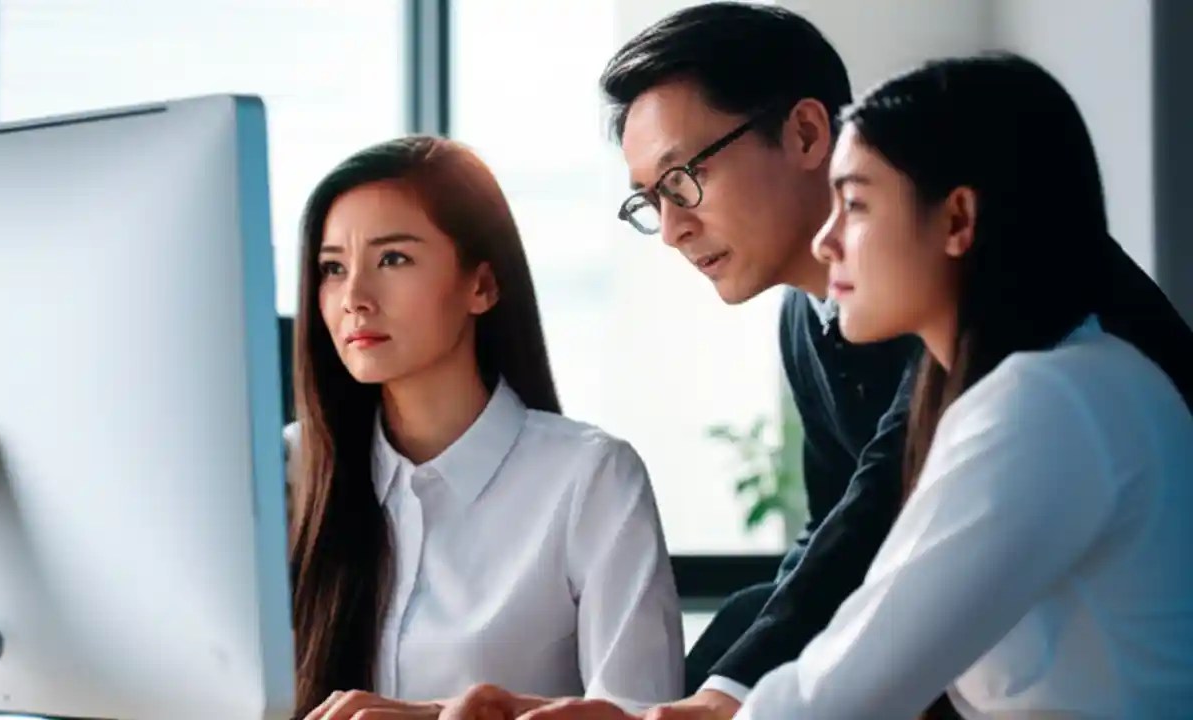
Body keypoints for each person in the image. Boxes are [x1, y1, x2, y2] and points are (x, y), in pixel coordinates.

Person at [439, 4, 1193, 720]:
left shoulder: (1043, 383)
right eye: (649, 201)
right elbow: (837, 546)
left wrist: (708, 705)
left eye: (857, 204)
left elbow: (872, 551)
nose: (671, 230)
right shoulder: (820, 322)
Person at [731, 52, 1193, 719]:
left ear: (957, 221)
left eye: (855, 204)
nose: (827, 240)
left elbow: (835, 697)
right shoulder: (1071, 380)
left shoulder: (1050, 403)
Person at [284, 136, 683, 719]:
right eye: (332, 268)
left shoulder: (588, 477)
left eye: (393, 259)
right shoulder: (287, 472)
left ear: (482, 285)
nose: (354, 298)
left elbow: (644, 713)